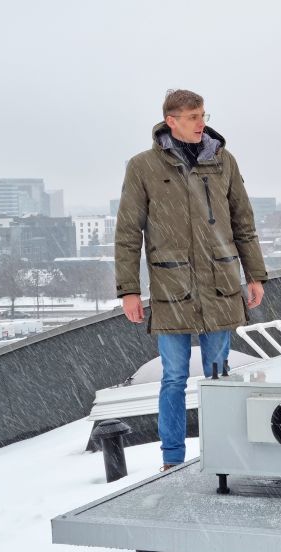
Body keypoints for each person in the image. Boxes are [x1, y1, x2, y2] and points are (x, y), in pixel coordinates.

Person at [115, 89, 268, 470]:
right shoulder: (143, 167)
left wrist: (255, 275)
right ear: (172, 121)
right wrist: (129, 290)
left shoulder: (222, 161)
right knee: (174, 378)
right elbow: (128, 232)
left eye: (203, 114)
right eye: (193, 116)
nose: (202, 122)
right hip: (172, 288)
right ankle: (172, 459)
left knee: (220, 378)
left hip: (220, 284)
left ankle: (225, 455)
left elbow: (243, 223)